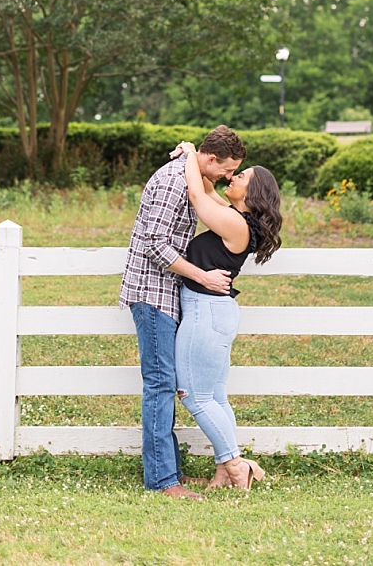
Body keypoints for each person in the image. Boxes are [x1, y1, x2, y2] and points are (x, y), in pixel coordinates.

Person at [118, 125, 245, 500]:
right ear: (210, 158)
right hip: (152, 293)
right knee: (159, 384)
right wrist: (202, 276)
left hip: (165, 293)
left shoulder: (189, 171)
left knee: (164, 381)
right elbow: (155, 244)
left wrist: (189, 153)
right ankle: (162, 480)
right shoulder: (175, 182)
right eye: (226, 169)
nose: (226, 177)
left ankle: (167, 470)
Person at [173, 141, 283, 491]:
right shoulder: (237, 218)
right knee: (216, 397)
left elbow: (196, 196)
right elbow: (206, 188)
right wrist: (201, 160)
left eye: (242, 175)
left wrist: (191, 154)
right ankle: (225, 469)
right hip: (214, 313)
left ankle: (236, 465)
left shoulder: (238, 225)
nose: (232, 176)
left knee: (194, 395)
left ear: (255, 192)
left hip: (206, 312)